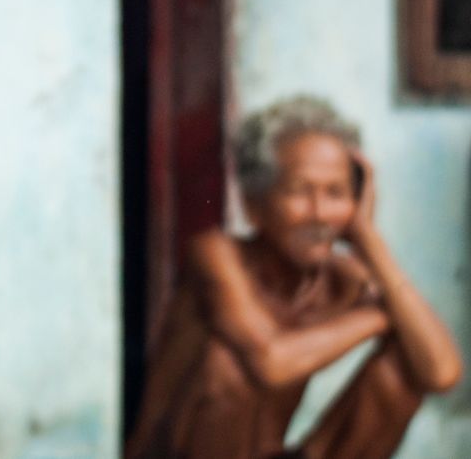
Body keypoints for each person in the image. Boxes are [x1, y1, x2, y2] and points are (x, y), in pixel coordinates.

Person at [126, 95, 462, 458]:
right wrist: (380, 315)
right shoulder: (216, 256)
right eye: (300, 191)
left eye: (336, 193)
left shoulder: (341, 277)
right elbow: (271, 364)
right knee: (229, 366)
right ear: (254, 206)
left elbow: (441, 372)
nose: (319, 214)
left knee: (403, 366)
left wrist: (368, 239)